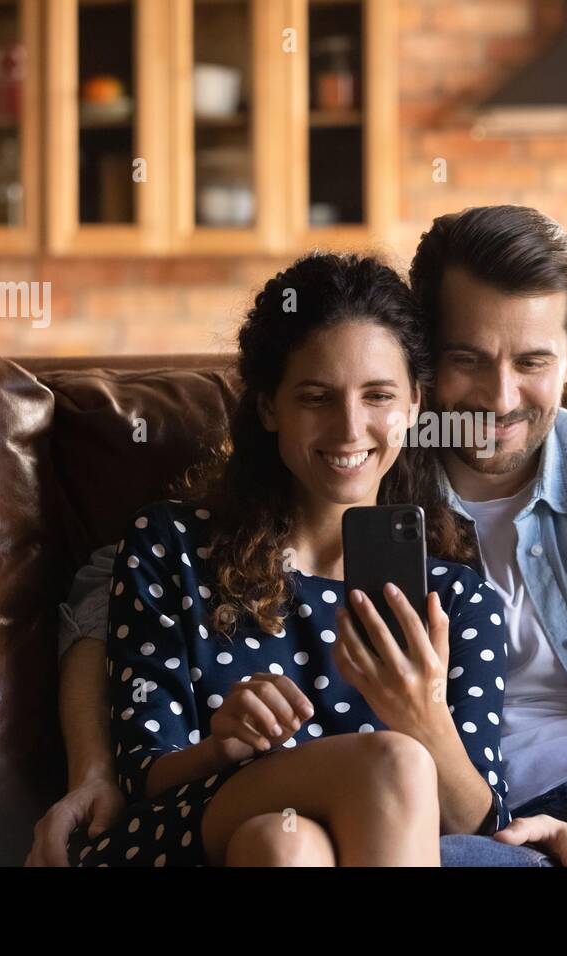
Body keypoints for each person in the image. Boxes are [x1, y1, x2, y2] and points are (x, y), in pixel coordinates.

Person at [32, 205, 567, 868]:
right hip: (493, 828)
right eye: (469, 359)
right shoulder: (369, 468)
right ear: (426, 364)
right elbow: (112, 589)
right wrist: (95, 770)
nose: (500, 399)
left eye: (533, 361)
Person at [62, 252, 510, 866]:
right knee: (394, 760)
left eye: (378, 396)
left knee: (286, 843)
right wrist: (222, 747)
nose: (350, 428)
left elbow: (480, 825)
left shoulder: (456, 599)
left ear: (414, 405)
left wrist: (423, 713)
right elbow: (145, 777)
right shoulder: (172, 545)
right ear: (270, 406)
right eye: (317, 397)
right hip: (184, 833)